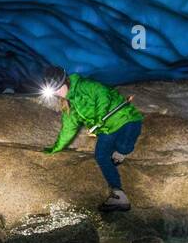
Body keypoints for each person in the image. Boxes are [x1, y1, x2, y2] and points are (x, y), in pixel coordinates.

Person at [42, 65, 144, 211]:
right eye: (54, 91)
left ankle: (120, 152)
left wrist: (99, 116)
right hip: (106, 129)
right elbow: (68, 129)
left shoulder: (84, 85)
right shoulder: (70, 105)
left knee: (124, 147)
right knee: (101, 156)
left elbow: (102, 94)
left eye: (59, 88)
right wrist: (55, 148)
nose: (58, 93)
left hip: (125, 119)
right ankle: (118, 195)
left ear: (66, 81)